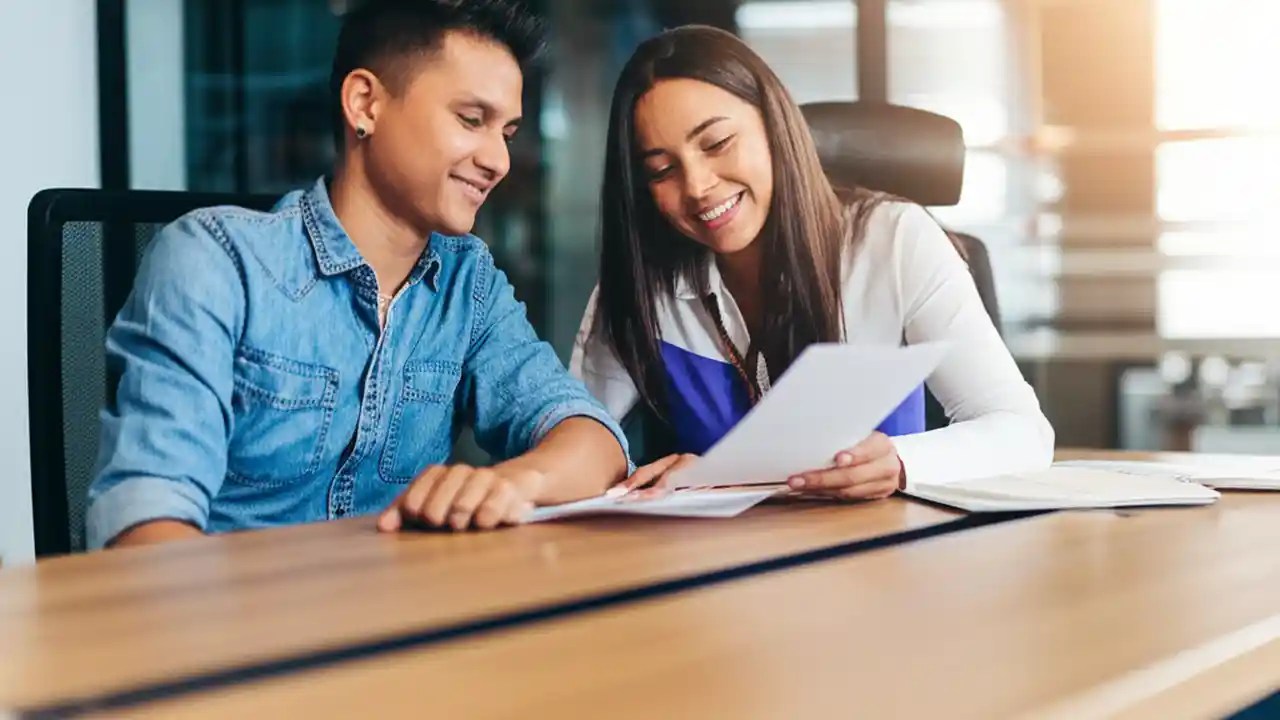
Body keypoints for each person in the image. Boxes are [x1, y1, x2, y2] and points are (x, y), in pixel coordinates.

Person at [86, 0, 628, 549]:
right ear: (364, 103)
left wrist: (508, 483)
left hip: (408, 619)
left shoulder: (470, 285)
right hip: (233, 620)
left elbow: (593, 440)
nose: (499, 160)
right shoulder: (216, 260)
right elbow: (144, 523)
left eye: (507, 132)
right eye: (471, 120)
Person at [571, 26, 1053, 499]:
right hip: (723, 565)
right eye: (661, 169)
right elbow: (573, 443)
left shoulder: (893, 242)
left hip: (884, 555)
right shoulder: (642, 284)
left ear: (774, 127)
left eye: (717, 144)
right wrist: (646, 475)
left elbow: (1023, 432)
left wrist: (904, 462)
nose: (697, 186)